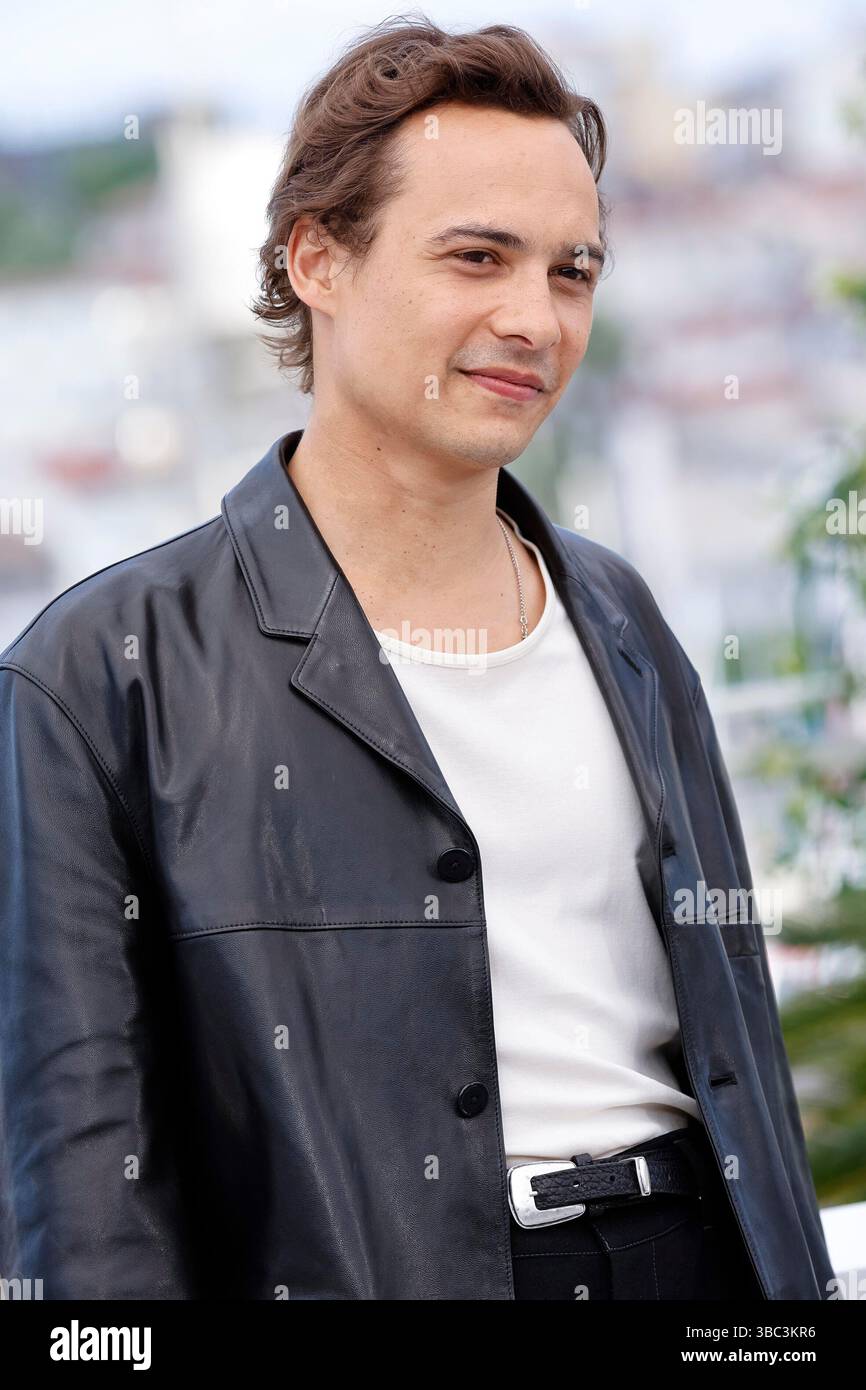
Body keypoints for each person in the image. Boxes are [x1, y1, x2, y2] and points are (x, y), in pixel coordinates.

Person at [0, 16, 835, 1300]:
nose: (534, 317)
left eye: (571, 270)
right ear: (317, 261)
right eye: (475, 257)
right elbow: (82, 1186)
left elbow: (739, 1048)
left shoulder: (619, 616)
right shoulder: (100, 673)